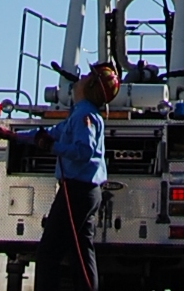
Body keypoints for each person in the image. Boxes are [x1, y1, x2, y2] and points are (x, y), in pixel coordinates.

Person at [34, 63, 120, 291]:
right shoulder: (81, 114)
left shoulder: (85, 116)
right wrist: (12, 135)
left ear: (90, 85)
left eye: (88, 76)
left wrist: (54, 147)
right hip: (87, 192)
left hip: (77, 191)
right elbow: (51, 133)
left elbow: (83, 151)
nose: (81, 78)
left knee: (49, 252)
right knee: (82, 251)